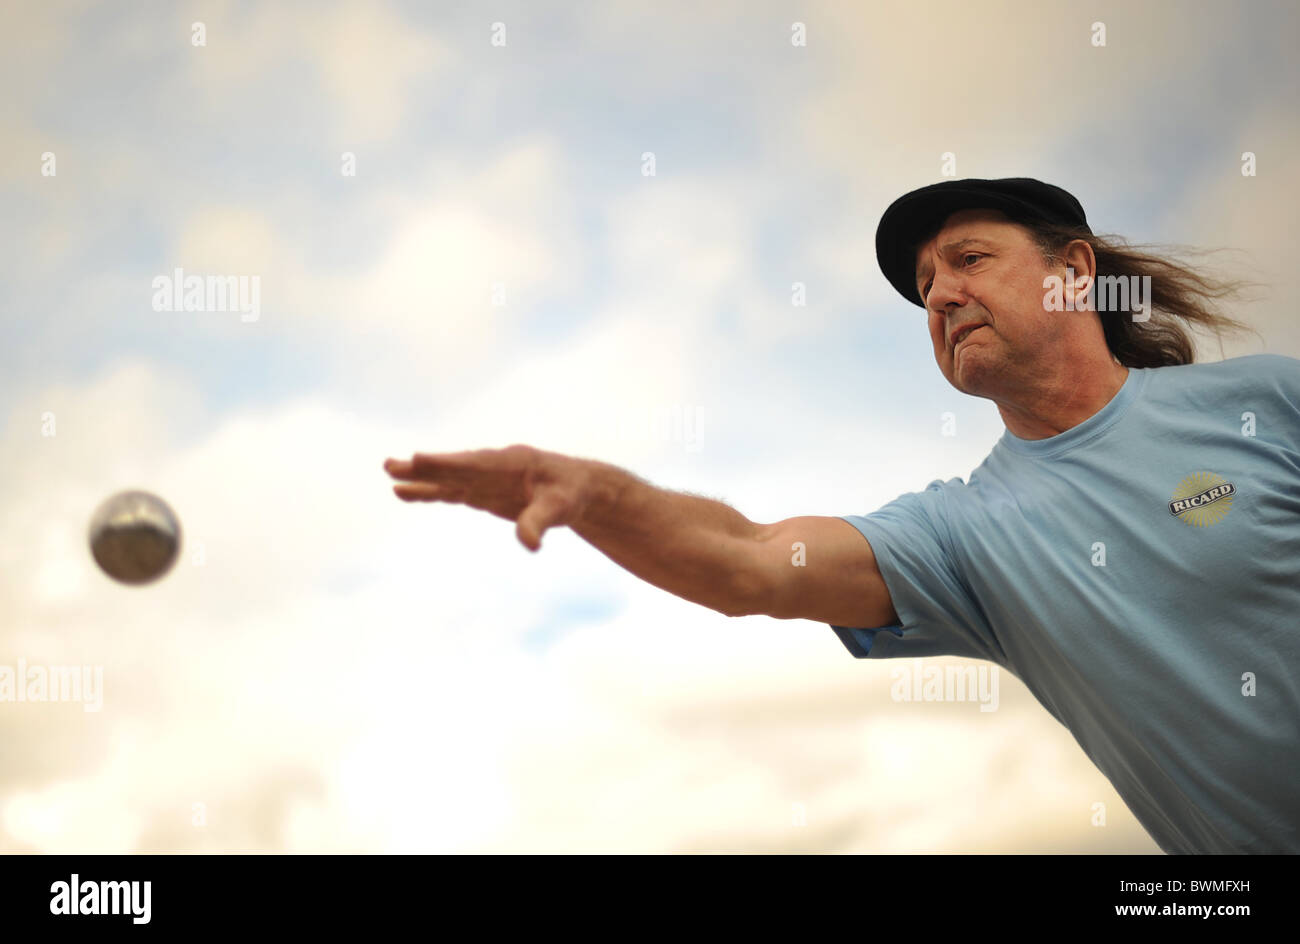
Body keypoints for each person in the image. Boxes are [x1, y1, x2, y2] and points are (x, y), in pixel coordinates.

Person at [384, 177, 1300, 854]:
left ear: (1075, 273)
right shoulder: (963, 535)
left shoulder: (1266, 405)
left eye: (970, 260)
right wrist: (596, 496)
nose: (939, 295)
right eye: (926, 284)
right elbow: (747, 562)